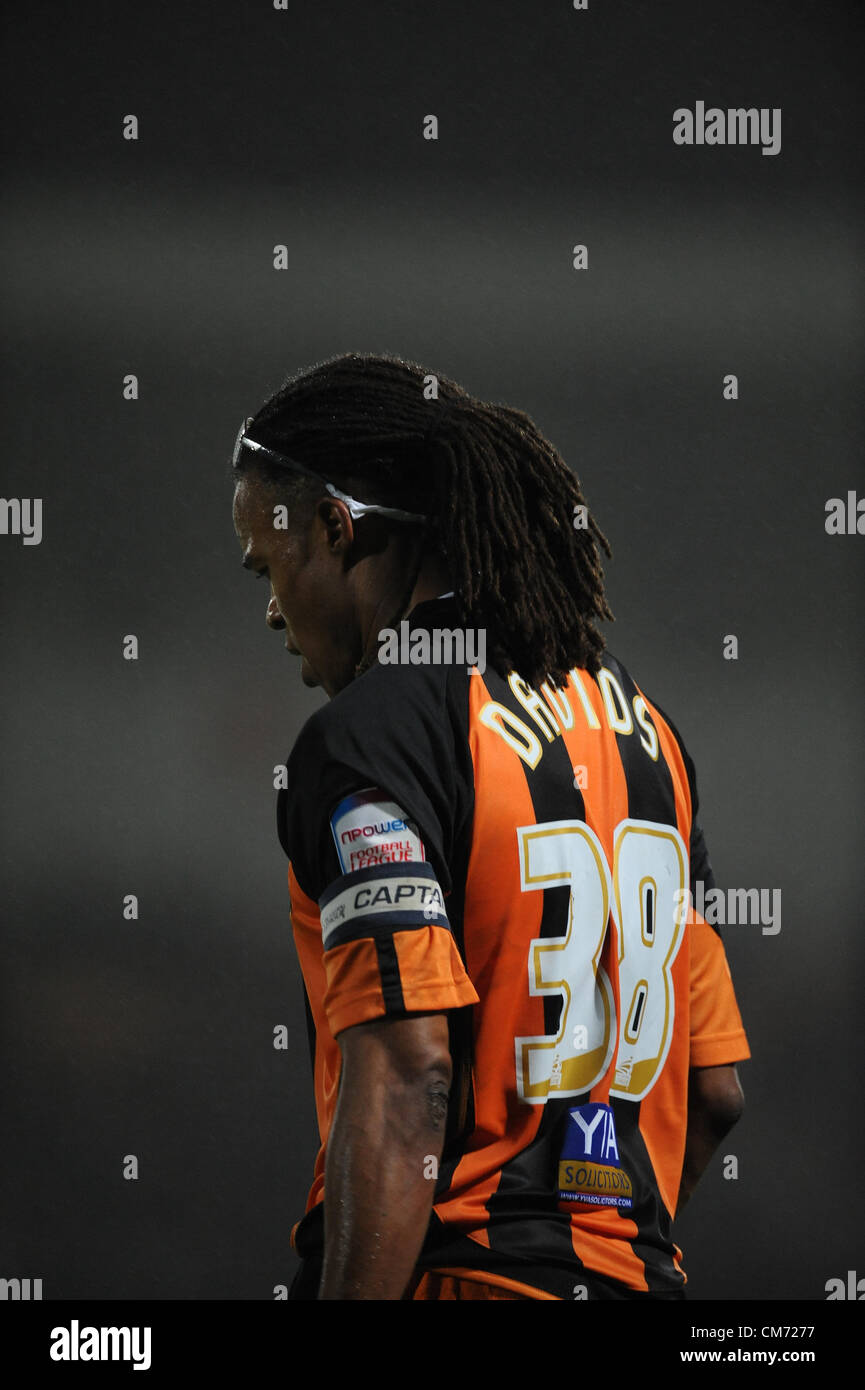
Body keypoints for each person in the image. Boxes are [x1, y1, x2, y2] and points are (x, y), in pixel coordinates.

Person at [231, 351, 750, 1301]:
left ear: (335, 528)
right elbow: (713, 1090)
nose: (271, 608)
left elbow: (405, 1081)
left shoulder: (372, 738)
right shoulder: (648, 733)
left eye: (270, 565)